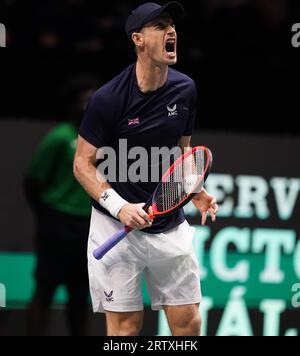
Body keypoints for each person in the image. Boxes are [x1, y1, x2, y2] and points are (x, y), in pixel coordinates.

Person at [74, 2, 218, 336]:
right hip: (116, 227)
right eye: (160, 26)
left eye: (172, 26)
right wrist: (120, 207)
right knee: (125, 330)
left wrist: (193, 190)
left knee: (188, 326)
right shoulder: (108, 99)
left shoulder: (185, 90)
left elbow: (182, 153)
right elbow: (82, 164)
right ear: (138, 39)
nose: (172, 31)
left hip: (168, 225)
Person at [24, 76, 99, 336]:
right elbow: (32, 182)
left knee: (79, 296)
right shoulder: (59, 138)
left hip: (87, 228)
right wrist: (47, 217)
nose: (90, 104)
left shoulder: (100, 144)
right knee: (44, 290)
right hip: (57, 223)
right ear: (72, 106)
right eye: (84, 100)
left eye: (94, 100)